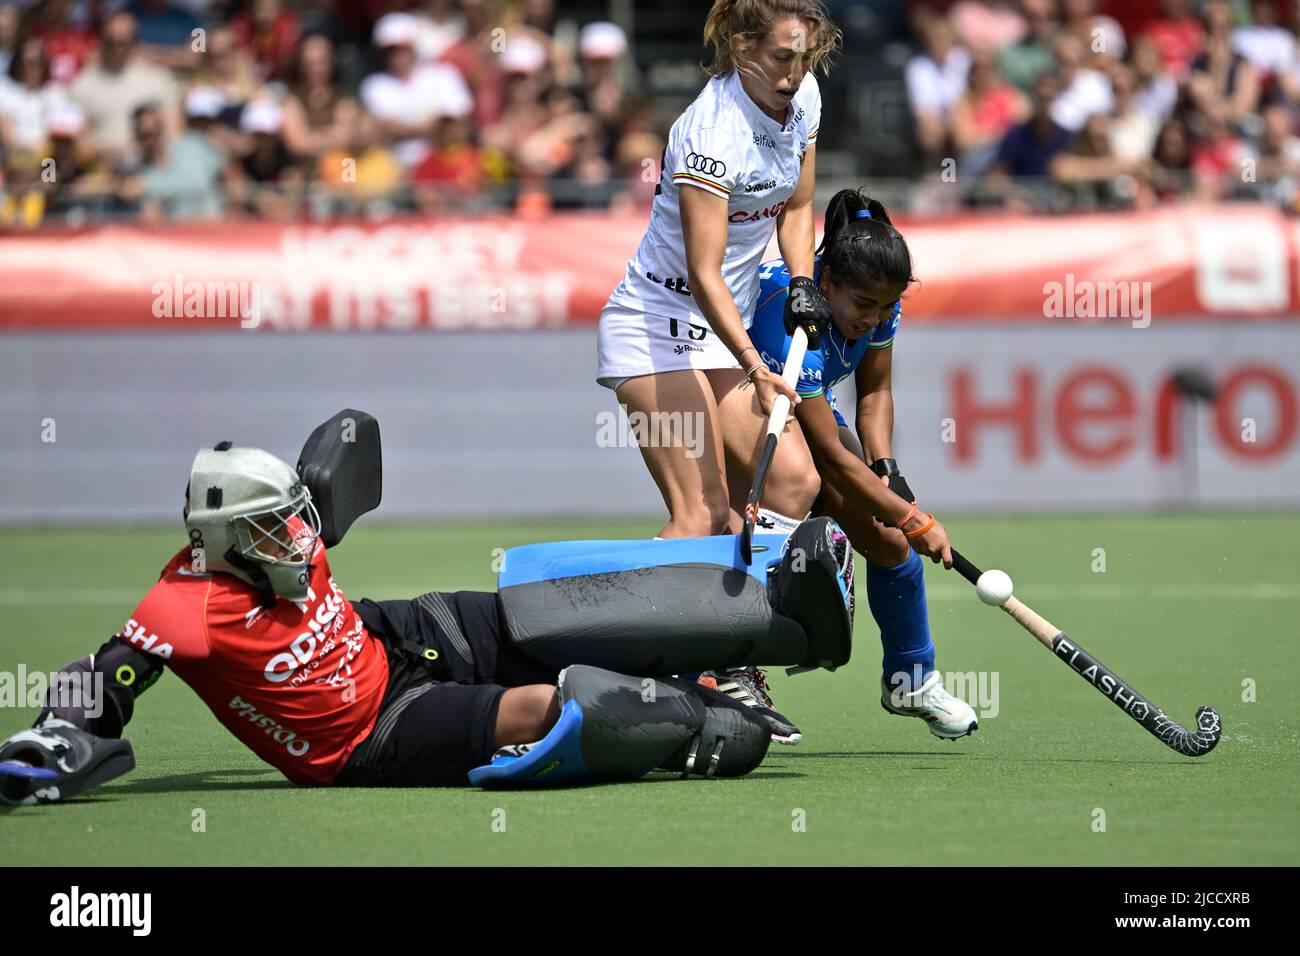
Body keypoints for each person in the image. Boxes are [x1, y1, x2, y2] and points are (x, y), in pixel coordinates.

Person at [0, 431, 823, 802]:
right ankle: (701, 717)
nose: (299, 533)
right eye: (272, 525)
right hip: (372, 736)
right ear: (222, 540)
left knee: (563, 615)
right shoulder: (186, 603)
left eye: (293, 513)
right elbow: (110, 675)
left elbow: (350, 448)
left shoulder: (293, 533)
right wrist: (54, 734)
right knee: (560, 707)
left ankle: (785, 614)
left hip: (393, 635)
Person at [596, 0, 840, 728]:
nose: (793, 74)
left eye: (803, 57)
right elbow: (704, 271)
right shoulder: (708, 133)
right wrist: (755, 364)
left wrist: (801, 282)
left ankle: (726, 656)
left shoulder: (804, 101)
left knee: (793, 482)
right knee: (701, 513)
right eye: (780, 58)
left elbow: (798, 206)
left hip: (717, 329)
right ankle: (610, 655)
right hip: (655, 326)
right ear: (740, 47)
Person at [723, 188, 977, 741]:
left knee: (888, 545)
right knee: (759, 527)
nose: (875, 319)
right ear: (828, 282)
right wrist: (916, 518)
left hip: (809, 409)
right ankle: (727, 670)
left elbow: (875, 392)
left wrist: (885, 465)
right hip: (742, 404)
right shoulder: (794, 320)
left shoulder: (877, 298)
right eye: (865, 306)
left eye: (886, 307)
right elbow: (833, 461)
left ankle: (911, 680)